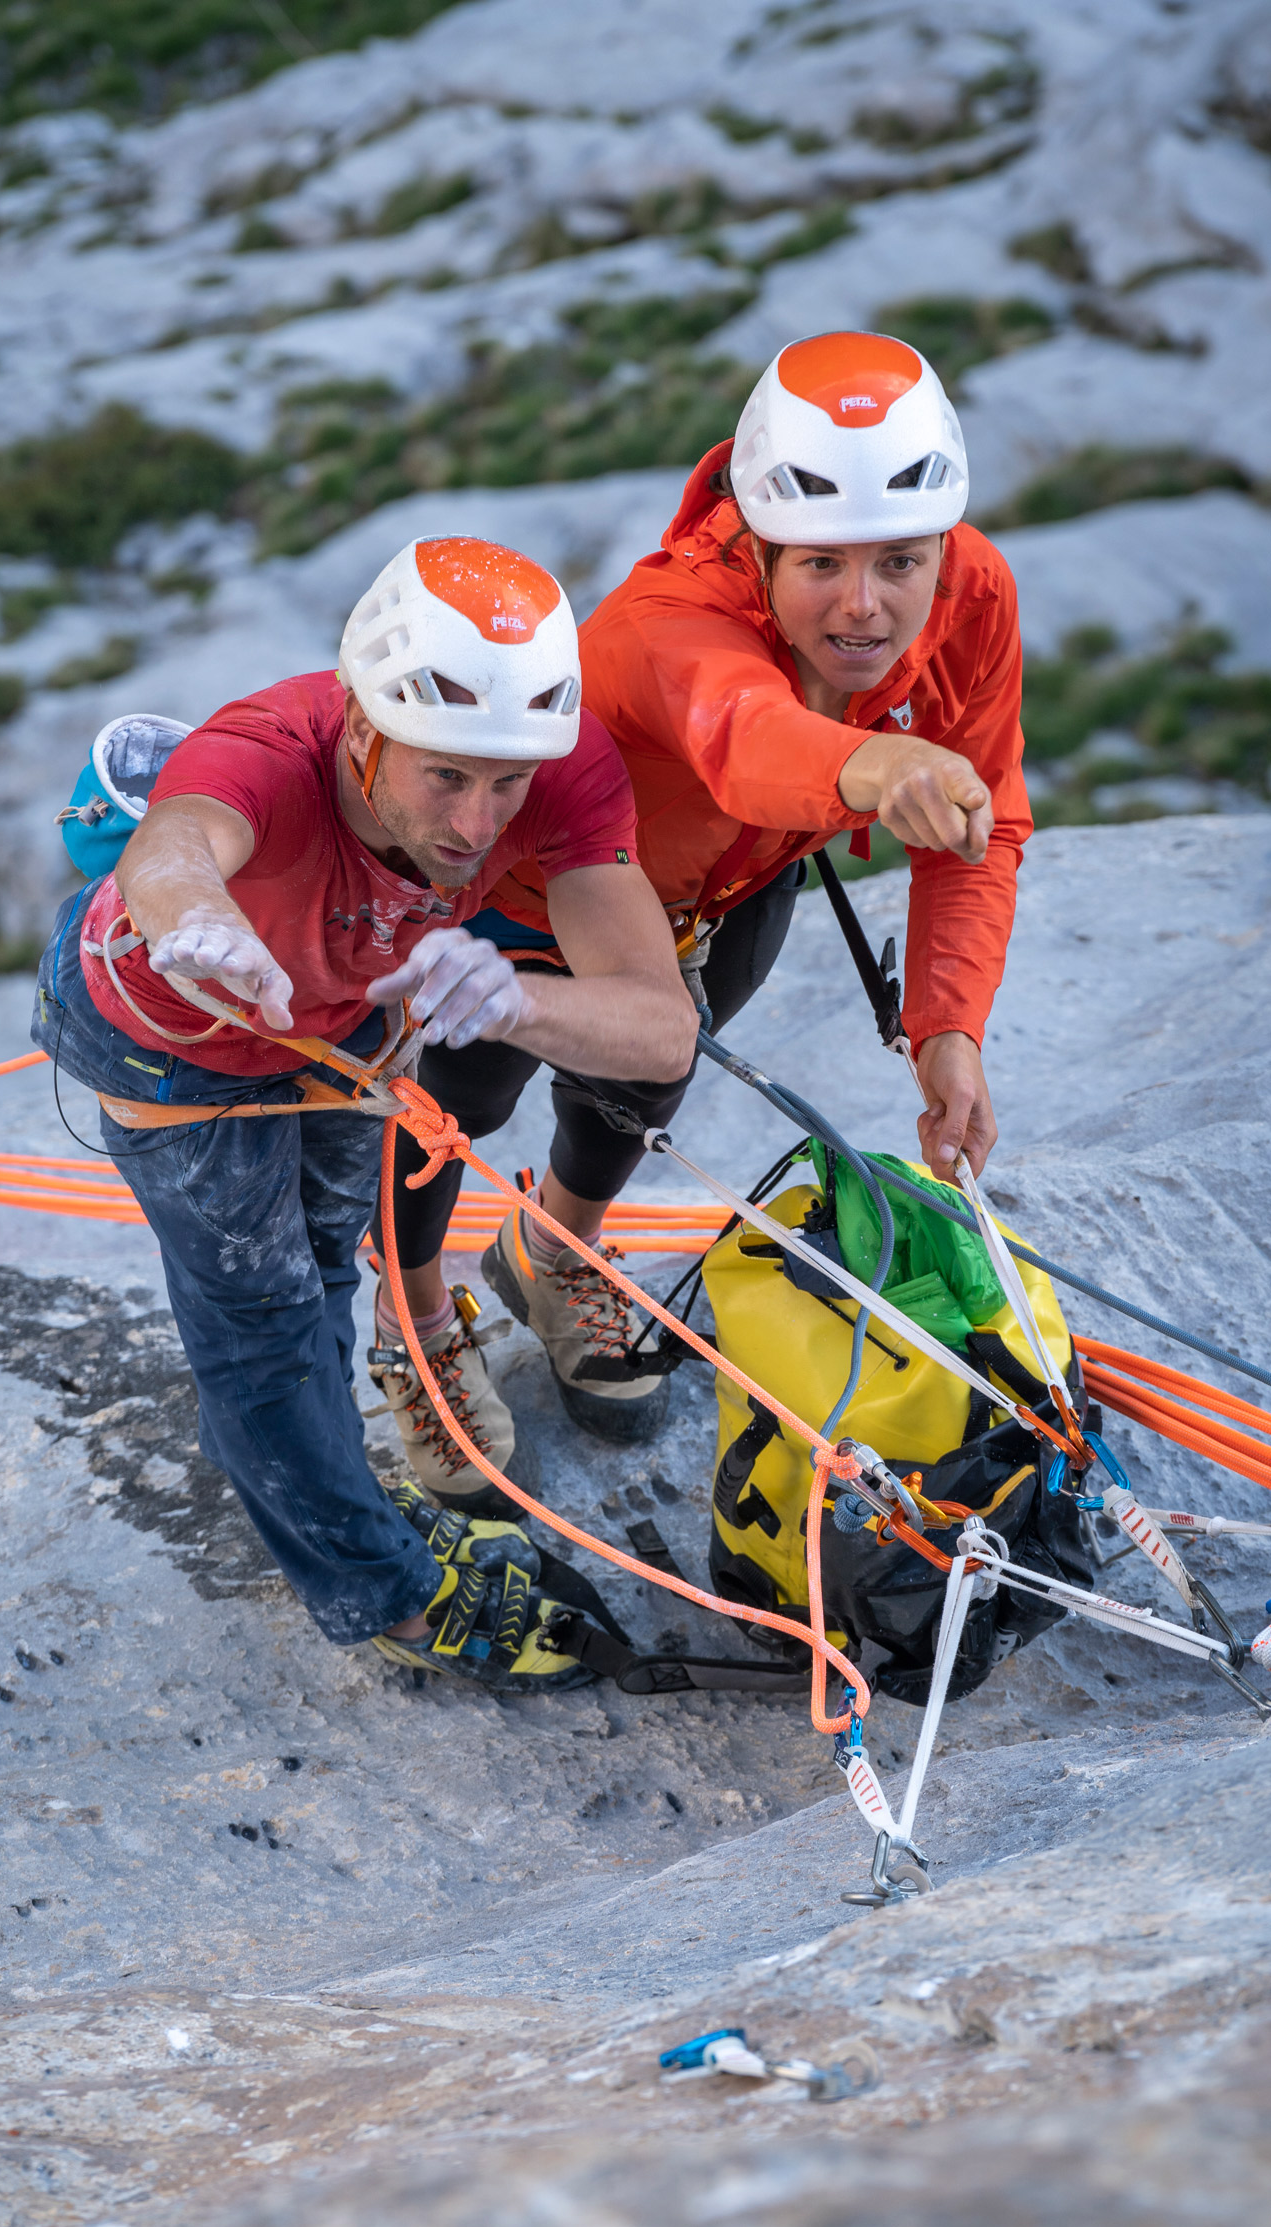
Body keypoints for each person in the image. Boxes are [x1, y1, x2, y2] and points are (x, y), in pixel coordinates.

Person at [32, 536, 698, 1692]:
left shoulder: (557, 758)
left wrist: (522, 998)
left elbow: (662, 1030)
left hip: (336, 1022)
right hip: (172, 1045)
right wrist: (199, 918)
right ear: (361, 731)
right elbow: (179, 844)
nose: (479, 822)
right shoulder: (270, 748)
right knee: (263, 1319)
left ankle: (326, 1476)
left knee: (325, 1269)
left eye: (506, 784)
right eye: (447, 777)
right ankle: (384, 1593)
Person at [380, 331, 1031, 1493]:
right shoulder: (665, 620)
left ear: (943, 542)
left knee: (644, 1085)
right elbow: (742, 735)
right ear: (762, 542)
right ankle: (415, 1317)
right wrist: (881, 767)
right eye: (821, 564)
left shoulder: (973, 594)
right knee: (447, 1109)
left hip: (729, 892)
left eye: (900, 561)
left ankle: (554, 1251)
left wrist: (948, 1029)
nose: (865, 607)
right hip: (527, 890)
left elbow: (984, 834)